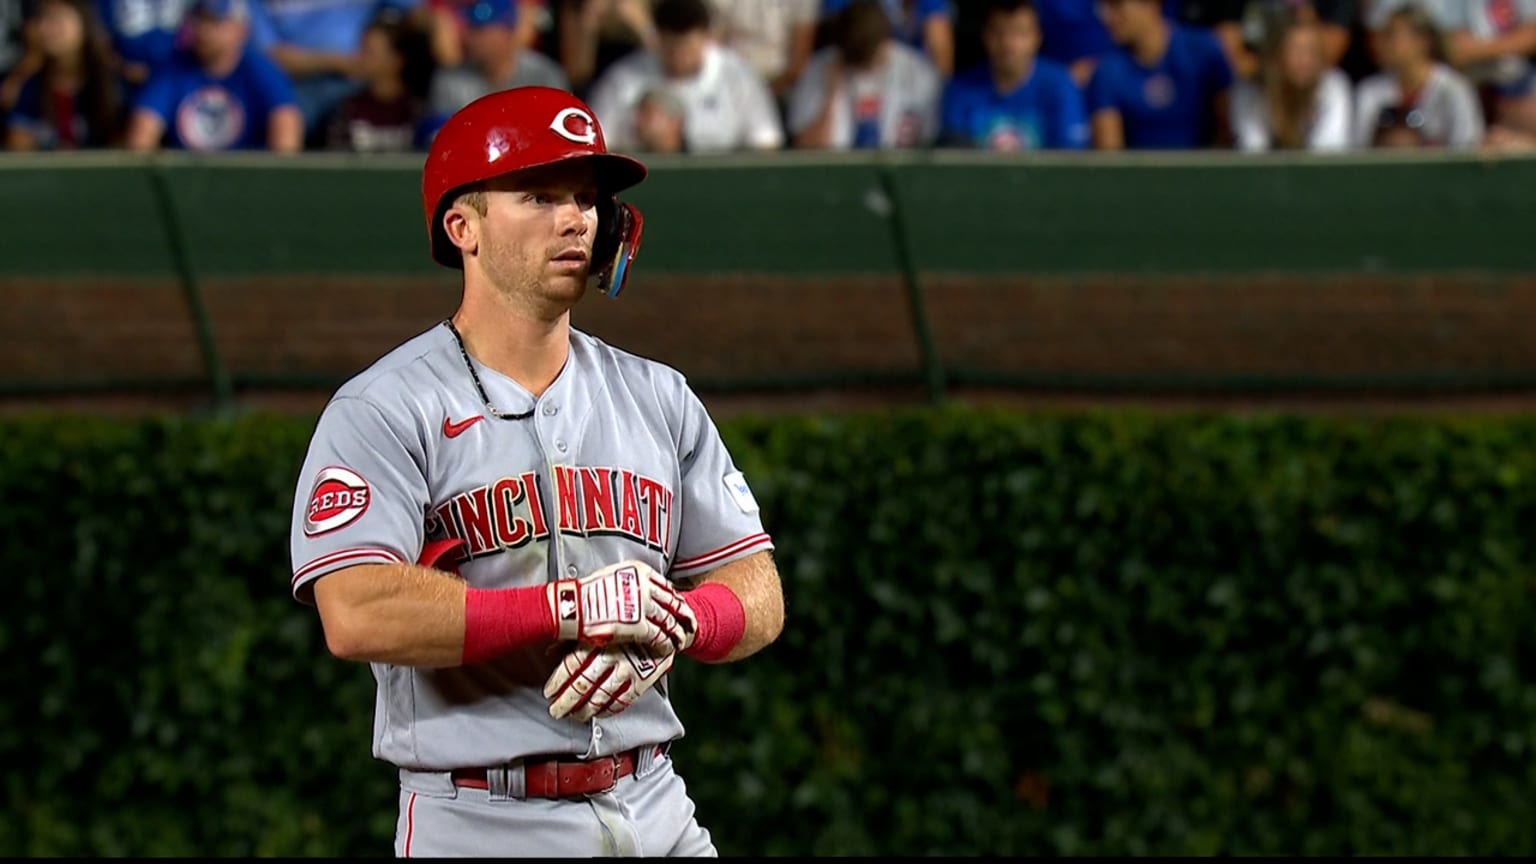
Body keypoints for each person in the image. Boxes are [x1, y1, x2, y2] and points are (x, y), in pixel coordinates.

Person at [287, 84, 786, 857]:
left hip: (655, 801)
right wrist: (570, 608)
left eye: (585, 199)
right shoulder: (384, 407)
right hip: (482, 819)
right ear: (463, 227)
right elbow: (355, 612)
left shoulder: (657, 395)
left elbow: (758, 588)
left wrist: (677, 622)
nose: (576, 219)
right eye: (539, 196)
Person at [586, 0, 783, 153]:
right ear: (658, 38)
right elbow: (594, 147)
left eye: (687, 45)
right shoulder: (621, 79)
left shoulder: (737, 77)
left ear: (707, 38)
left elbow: (766, 143)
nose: (679, 55)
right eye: (671, 46)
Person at [125, 0, 301, 151]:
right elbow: (141, 136)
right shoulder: (172, 68)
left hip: (247, 176)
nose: (203, 30)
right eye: (198, 20)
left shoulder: (260, 70)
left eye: (214, 21)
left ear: (240, 29)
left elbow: (286, 135)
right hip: (187, 176)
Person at [787, 0, 941, 150]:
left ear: (885, 42)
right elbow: (807, 148)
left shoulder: (918, 73)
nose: (864, 69)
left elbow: (928, 146)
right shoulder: (820, 68)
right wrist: (831, 94)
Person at [937, 0, 1088, 151]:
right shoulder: (962, 89)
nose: (1007, 43)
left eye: (1019, 32)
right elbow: (954, 154)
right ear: (985, 36)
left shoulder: (1059, 86)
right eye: (999, 32)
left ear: (1037, 38)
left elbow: (1070, 155)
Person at [1087, 0, 1235, 149]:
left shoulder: (1204, 52)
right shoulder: (1107, 72)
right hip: (1139, 165)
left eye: (1116, 5)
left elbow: (1226, 133)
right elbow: (1109, 153)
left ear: (1151, 4)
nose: (1106, 16)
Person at [1352, 3, 1483, 149]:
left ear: (1421, 41)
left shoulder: (1454, 88)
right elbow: (1357, 149)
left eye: (1390, 35)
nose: (1381, 43)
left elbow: (1467, 146)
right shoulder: (1369, 90)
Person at [4, 0, 126, 149]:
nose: (46, 28)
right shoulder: (31, 85)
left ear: (84, 24)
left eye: (57, 19)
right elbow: (19, 144)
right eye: (42, 19)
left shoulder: (111, 82)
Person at [1228, 4, 1352, 151]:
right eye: (1295, 51)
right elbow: (1252, 151)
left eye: (1311, 51)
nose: (1304, 61)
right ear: (1275, 55)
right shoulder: (1248, 91)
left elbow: (1328, 152)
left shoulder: (1334, 85)